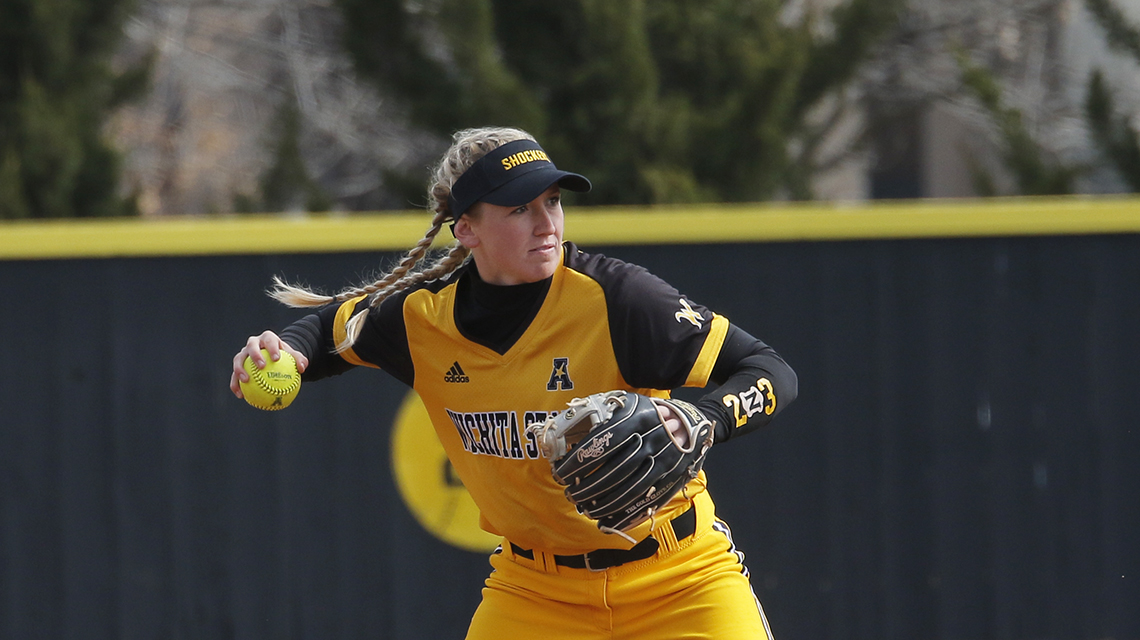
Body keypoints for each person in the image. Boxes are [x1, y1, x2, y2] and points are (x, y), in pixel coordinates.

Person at [230, 126, 798, 639]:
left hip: (679, 579)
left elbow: (772, 371)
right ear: (467, 230)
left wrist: (701, 418)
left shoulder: (618, 299)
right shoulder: (421, 319)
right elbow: (326, 329)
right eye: (520, 208)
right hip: (536, 593)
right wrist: (284, 351)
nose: (547, 222)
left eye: (552, 201)